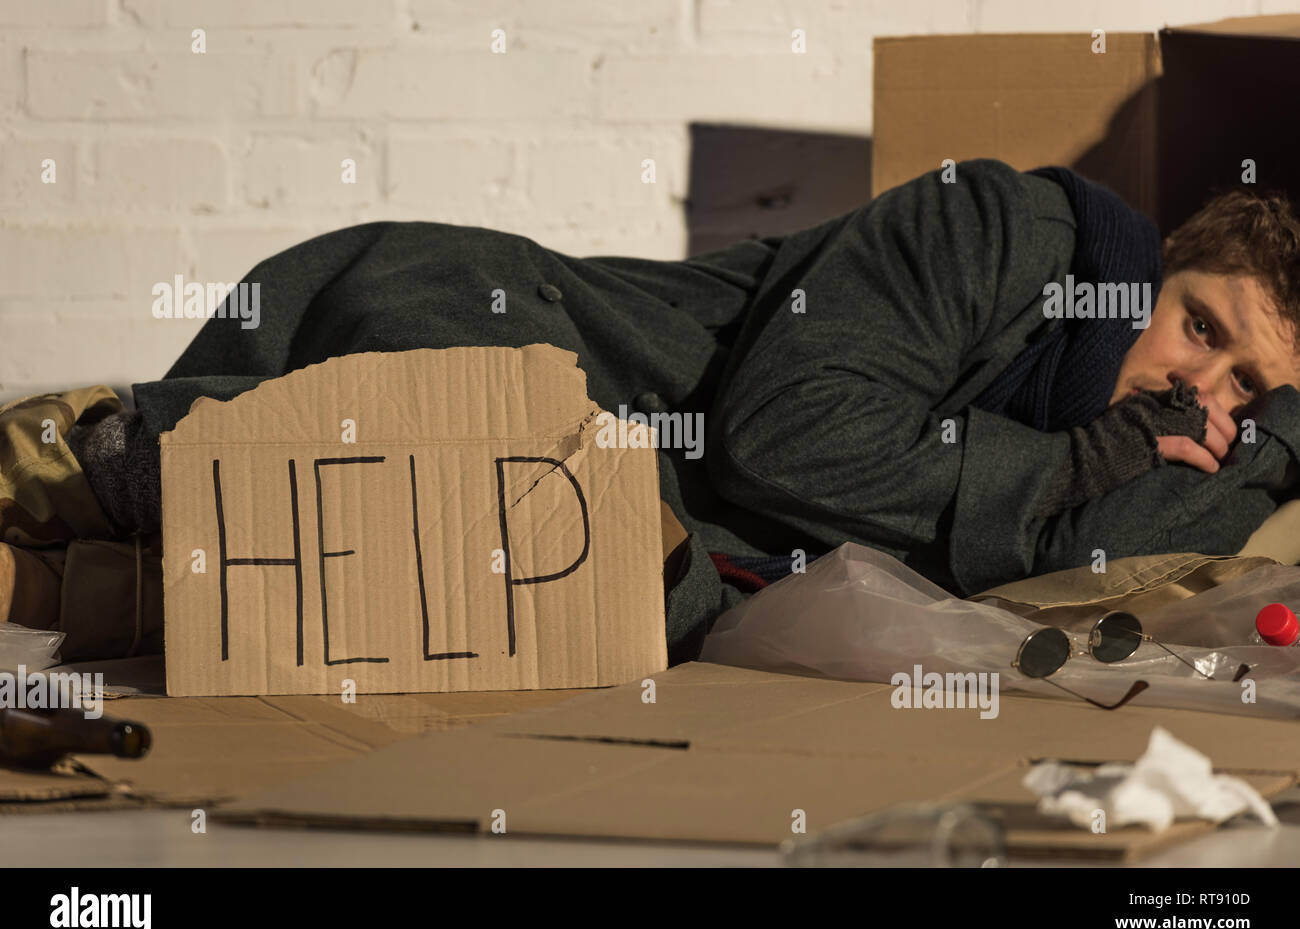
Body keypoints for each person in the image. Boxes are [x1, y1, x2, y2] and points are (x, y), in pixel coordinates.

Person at [4, 157, 1300, 665]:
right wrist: (1067, 461)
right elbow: (790, 435)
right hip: (510, 346)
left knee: (535, 602)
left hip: (632, 533)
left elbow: (1121, 535)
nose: (1200, 387)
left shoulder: (1138, 449)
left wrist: (1270, 433)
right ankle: (79, 448)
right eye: (1200, 325)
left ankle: (44, 583)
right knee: (515, 503)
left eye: (1243, 387)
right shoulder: (1009, 228)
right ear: (1153, 263)